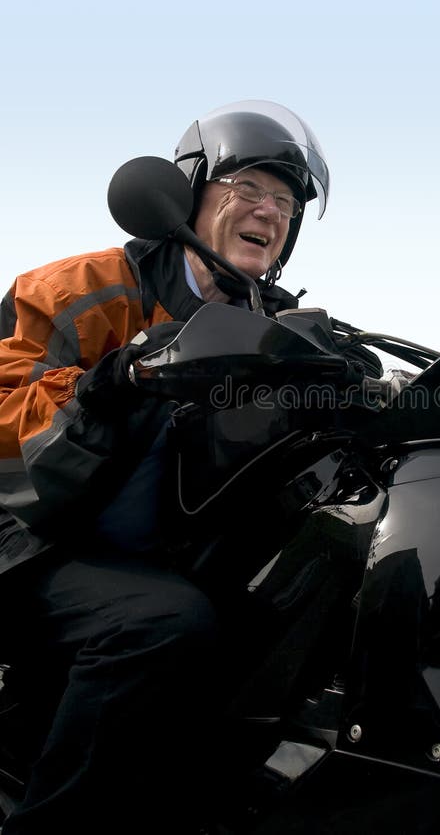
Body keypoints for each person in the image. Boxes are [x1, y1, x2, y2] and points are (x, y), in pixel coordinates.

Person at [0, 100, 331, 834]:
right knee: (161, 623)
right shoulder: (81, 286)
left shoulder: (280, 336)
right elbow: (4, 418)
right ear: (185, 196)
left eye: (284, 204)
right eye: (248, 189)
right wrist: (108, 382)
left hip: (157, 561)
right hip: (28, 544)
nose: (268, 213)